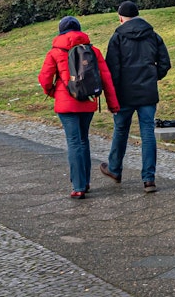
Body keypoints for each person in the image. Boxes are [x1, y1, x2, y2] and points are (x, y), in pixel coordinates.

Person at [38, 16, 120, 199]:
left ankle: (78, 186)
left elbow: (44, 78)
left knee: (74, 142)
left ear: (60, 31)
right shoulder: (93, 50)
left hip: (65, 105)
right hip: (88, 101)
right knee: (84, 140)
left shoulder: (55, 52)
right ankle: (86, 182)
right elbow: (106, 79)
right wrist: (113, 104)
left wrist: (53, 92)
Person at [100, 1, 172, 193]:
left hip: (124, 93)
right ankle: (149, 179)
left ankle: (114, 169)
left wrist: (112, 96)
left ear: (121, 18)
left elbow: (112, 69)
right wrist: (152, 76)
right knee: (147, 133)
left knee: (120, 130)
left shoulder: (117, 37)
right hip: (147, 92)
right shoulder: (152, 35)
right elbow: (165, 63)